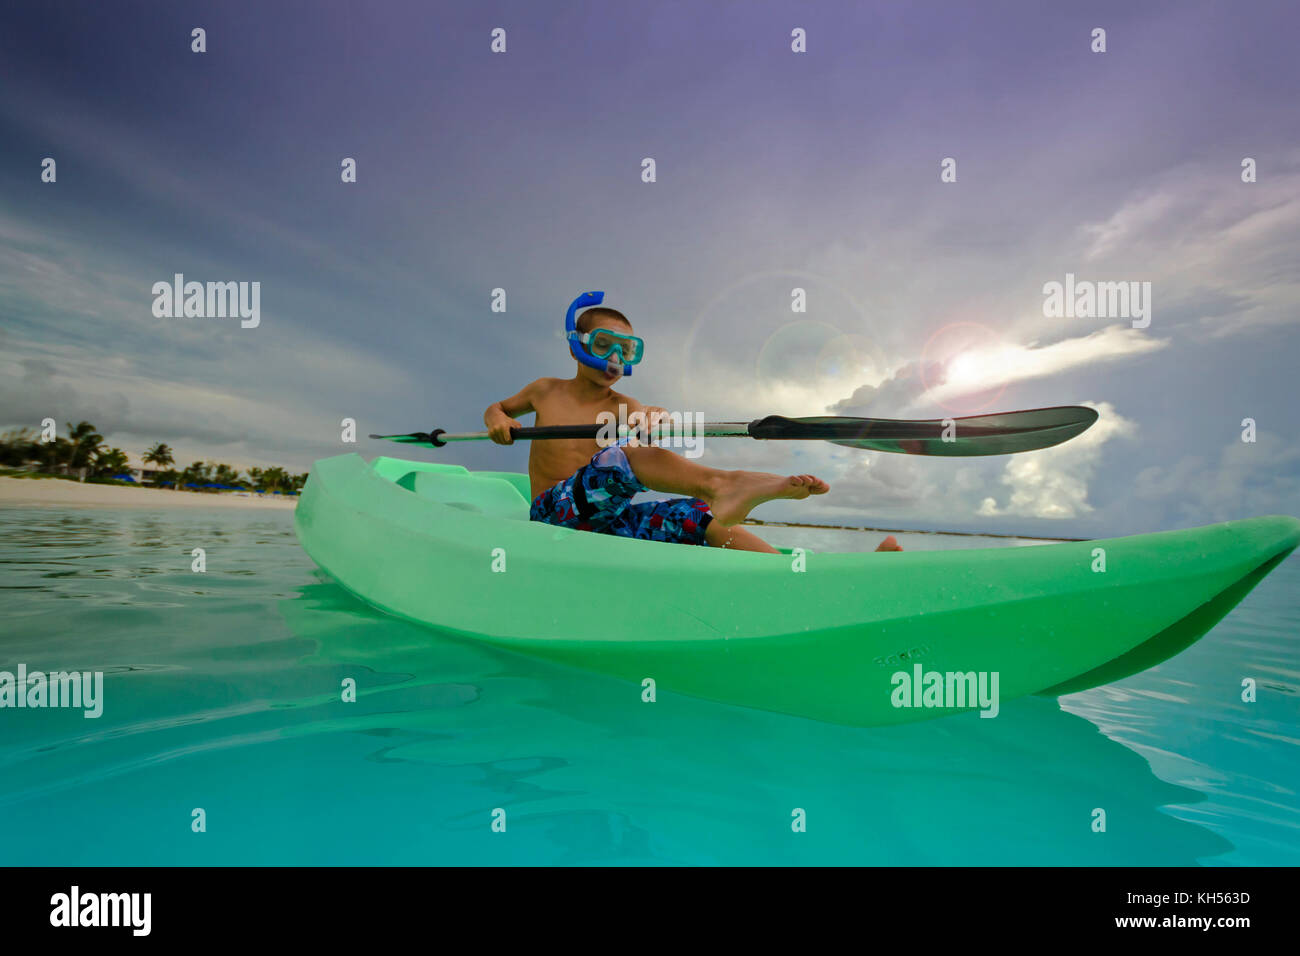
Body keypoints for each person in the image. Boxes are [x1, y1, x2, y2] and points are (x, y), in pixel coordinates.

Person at [484, 292, 902, 554]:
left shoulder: (624, 404)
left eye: (627, 350)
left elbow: (648, 419)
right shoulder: (545, 390)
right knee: (620, 457)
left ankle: (787, 579)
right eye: (604, 345)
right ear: (576, 348)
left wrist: (653, 416)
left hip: (606, 522)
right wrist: (498, 421)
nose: (615, 359)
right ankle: (726, 482)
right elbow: (497, 408)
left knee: (699, 516)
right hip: (552, 517)